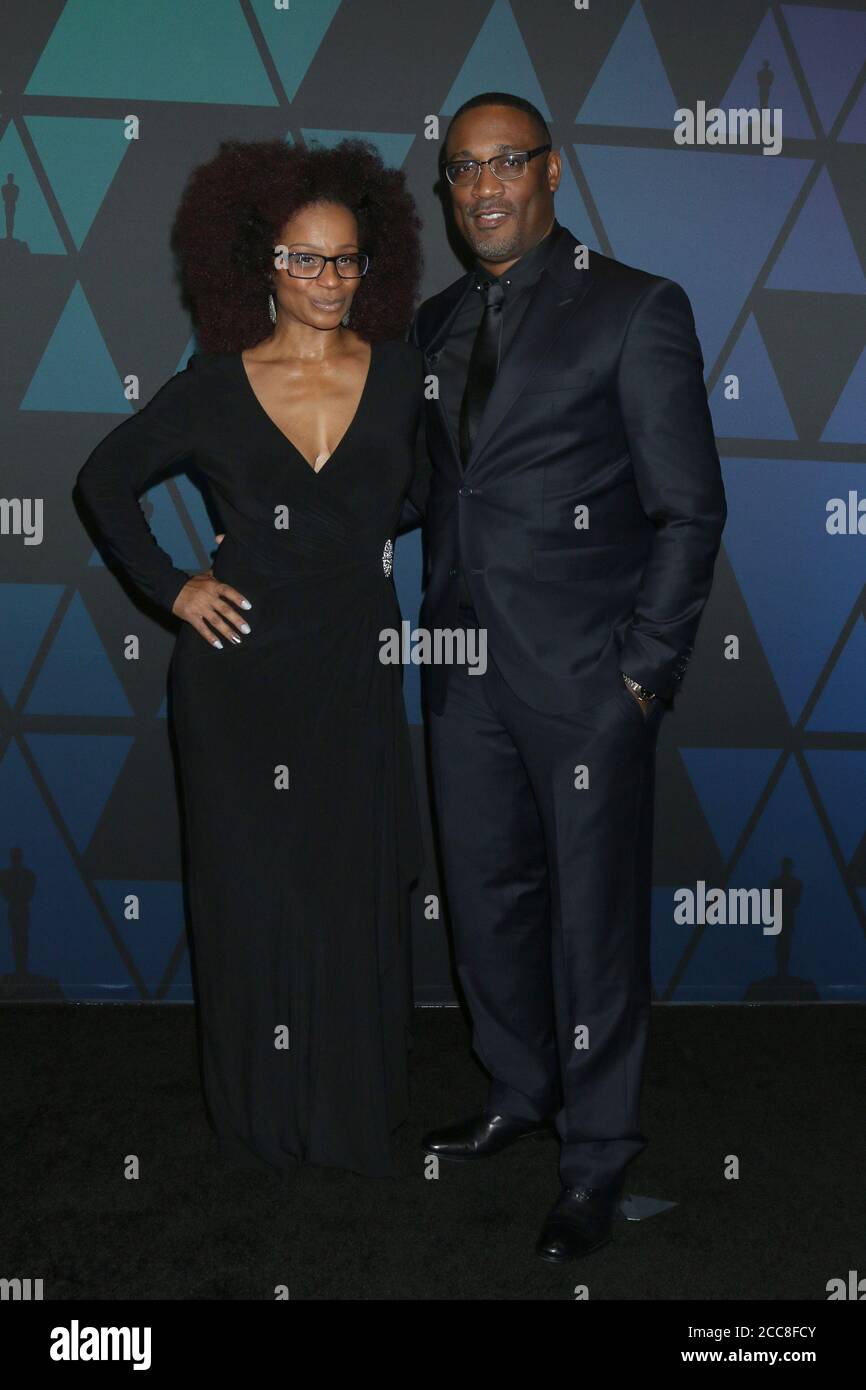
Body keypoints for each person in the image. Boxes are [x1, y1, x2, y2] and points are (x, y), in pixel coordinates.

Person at [409, 93, 727, 1259]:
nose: (483, 187)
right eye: (460, 169)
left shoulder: (633, 305)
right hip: (459, 673)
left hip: (587, 681)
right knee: (486, 904)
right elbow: (427, 489)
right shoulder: (433, 321)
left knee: (591, 929)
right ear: (444, 191)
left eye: (505, 163)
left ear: (550, 170)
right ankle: (514, 1089)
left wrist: (638, 677)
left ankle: (594, 1158)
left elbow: (689, 509)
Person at [74, 137, 428, 1178]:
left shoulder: (404, 376)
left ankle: (349, 1114)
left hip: (352, 661)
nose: (328, 281)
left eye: (346, 259)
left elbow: (428, 496)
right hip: (239, 674)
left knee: (352, 886)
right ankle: (261, 1121)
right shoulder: (213, 387)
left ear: (375, 264)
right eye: (304, 259)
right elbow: (103, 481)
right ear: (257, 265)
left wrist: (343, 549)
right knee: (249, 891)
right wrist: (174, 585)